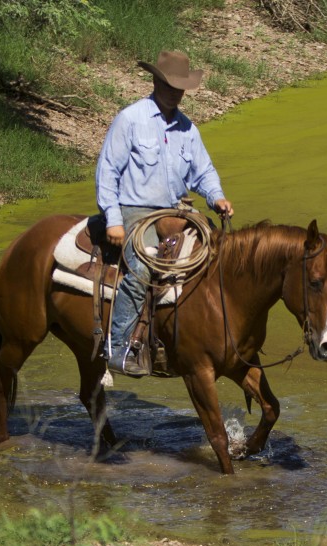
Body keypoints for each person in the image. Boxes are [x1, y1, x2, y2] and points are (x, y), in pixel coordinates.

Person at [96, 50, 234, 377]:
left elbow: (204, 172)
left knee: (216, 248)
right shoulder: (131, 119)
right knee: (143, 267)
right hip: (134, 209)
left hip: (176, 210)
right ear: (156, 81)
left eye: (180, 87)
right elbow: (107, 171)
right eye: (170, 85)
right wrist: (113, 220)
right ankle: (117, 346)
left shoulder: (188, 129)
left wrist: (217, 197)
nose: (176, 92)